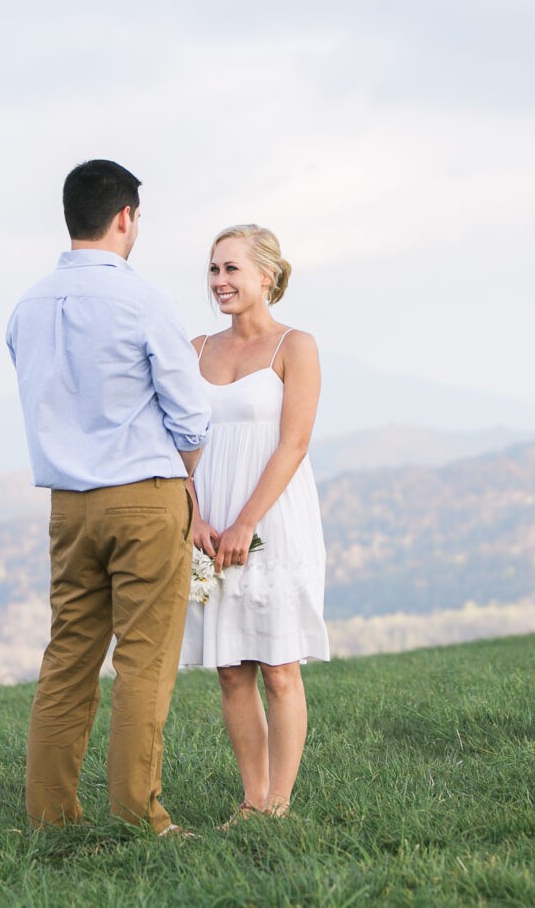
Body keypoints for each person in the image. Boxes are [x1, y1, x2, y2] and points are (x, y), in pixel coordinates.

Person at [6, 159, 211, 836]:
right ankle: (137, 816)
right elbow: (191, 414)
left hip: (68, 504)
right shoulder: (142, 299)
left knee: (68, 657)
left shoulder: (27, 306)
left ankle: (52, 817)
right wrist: (181, 472)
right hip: (143, 493)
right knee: (143, 662)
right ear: (125, 217)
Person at [179, 224, 330, 827]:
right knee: (230, 668)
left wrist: (245, 522)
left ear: (266, 275)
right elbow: (174, 441)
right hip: (206, 519)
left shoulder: (296, 345)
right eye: (214, 269)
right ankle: (251, 800)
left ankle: (280, 805)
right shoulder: (194, 349)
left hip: (273, 514)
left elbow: (293, 443)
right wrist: (193, 515)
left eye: (231, 269)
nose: (219, 281)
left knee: (278, 664)